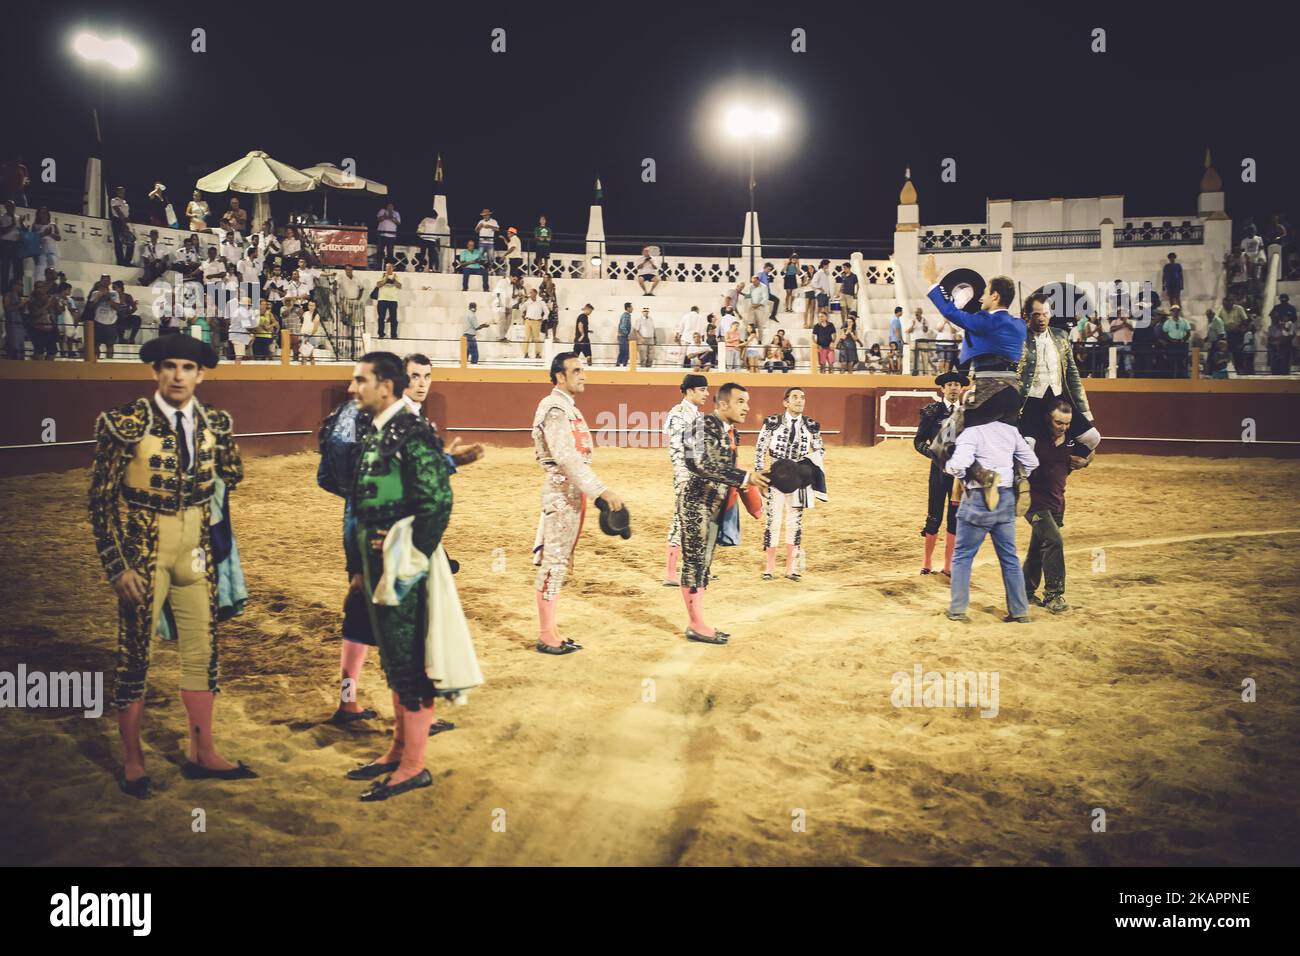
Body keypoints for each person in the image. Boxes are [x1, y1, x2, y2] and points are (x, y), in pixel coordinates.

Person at [88, 334, 253, 798]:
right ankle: (134, 760)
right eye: (168, 366)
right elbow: (100, 503)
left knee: (203, 652)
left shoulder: (215, 422)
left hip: (196, 549)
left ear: (201, 375)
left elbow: (234, 476)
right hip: (145, 552)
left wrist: (222, 449)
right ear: (155, 372)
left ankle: (203, 752)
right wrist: (117, 566)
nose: (177, 375)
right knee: (135, 654)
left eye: (186, 367)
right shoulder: (125, 422)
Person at [341, 352, 454, 801]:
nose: (353, 389)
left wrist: (411, 558)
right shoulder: (381, 429)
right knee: (392, 657)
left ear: (384, 386)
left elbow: (436, 502)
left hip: (401, 567)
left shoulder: (410, 431)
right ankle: (397, 748)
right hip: (377, 564)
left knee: (409, 662)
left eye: (360, 380)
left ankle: (414, 765)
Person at [531, 353, 624, 654]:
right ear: (560, 375)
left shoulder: (565, 407)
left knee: (559, 560)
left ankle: (551, 630)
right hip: (561, 493)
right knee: (555, 561)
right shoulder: (555, 408)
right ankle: (546, 634)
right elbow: (566, 457)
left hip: (569, 492)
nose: (583, 376)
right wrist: (600, 491)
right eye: (577, 371)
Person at [920, 254, 1026, 486]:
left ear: (995, 296)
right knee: (1004, 442)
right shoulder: (1019, 325)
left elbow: (951, 313)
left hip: (988, 391)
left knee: (942, 441)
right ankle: (1019, 478)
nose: (981, 298)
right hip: (1013, 395)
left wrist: (932, 282)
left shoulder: (985, 321)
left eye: (986, 292)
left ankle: (980, 476)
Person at [677, 383, 770, 642]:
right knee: (695, 564)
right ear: (723, 404)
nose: (747, 407)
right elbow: (699, 463)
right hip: (696, 504)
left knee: (704, 565)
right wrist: (746, 477)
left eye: (747, 402)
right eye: (741, 401)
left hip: (715, 504)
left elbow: (731, 469)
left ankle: (698, 620)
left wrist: (753, 485)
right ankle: (696, 624)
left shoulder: (731, 432)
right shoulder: (701, 425)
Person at [944, 409, 1039, 624]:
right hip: (1005, 498)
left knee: (962, 556)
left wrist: (953, 470)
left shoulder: (972, 432)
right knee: (1010, 558)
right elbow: (1032, 462)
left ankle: (957, 609)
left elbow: (958, 465)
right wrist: (1015, 477)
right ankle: (1020, 611)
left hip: (978, 498)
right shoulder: (1010, 431)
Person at [1022, 399, 1093, 614]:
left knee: (1038, 548)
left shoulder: (1072, 440)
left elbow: (1089, 452)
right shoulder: (1035, 438)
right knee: (1054, 542)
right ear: (1048, 419)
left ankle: (1025, 591)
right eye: (1058, 422)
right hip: (1034, 503)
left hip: (1057, 503)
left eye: (1067, 423)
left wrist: (1087, 461)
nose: (1063, 427)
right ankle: (1054, 595)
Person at [1017, 292, 1100, 475]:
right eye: (1036, 314)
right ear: (1026, 316)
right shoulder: (1019, 336)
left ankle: (1066, 466)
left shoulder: (1060, 336)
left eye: (1045, 313)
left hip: (1057, 399)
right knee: (1027, 449)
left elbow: (1072, 376)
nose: (1041, 318)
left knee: (1093, 437)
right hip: (1030, 402)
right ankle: (1023, 487)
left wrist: (1084, 410)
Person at [755, 387, 826, 581]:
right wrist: (760, 477)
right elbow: (760, 449)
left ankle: (791, 568)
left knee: (795, 521)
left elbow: (820, 450)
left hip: (799, 477)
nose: (800, 400)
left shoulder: (812, 426)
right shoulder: (772, 423)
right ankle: (769, 568)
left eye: (802, 397)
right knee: (773, 520)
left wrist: (808, 466)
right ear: (785, 402)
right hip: (775, 475)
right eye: (795, 397)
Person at [914, 371, 967, 575]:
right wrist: (935, 454)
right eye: (950, 384)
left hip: (958, 475)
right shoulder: (931, 412)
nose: (954, 387)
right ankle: (927, 562)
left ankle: (948, 565)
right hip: (937, 471)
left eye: (957, 384)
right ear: (942, 389)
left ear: (961, 389)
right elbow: (918, 441)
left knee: (955, 518)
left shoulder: (967, 414)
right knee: (934, 516)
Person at [662, 374, 710, 586]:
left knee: (702, 521)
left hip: (701, 475)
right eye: (702, 390)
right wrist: (682, 478)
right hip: (687, 476)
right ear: (690, 391)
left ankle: (699, 568)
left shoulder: (697, 416)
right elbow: (676, 449)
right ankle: (670, 573)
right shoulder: (678, 415)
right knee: (681, 521)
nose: (706, 394)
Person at [416, 208, 447, 273]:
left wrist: (419, 234)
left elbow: (420, 228)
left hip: (424, 238)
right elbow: (439, 233)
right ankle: (430, 268)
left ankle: (420, 267)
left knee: (422, 254)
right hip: (432, 240)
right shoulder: (437, 222)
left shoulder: (425, 219)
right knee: (431, 255)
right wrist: (437, 239)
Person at [375, 263, 401, 339]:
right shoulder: (382, 275)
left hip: (393, 300)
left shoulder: (396, 276)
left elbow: (399, 286)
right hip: (382, 299)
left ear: (393, 268)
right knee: (381, 318)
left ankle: (393, 334)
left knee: (393, 318)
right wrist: (386, 278)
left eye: (390, 267)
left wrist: (393, 280)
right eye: (387, 267)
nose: (388, 269)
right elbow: (378, 284)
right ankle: (381, 334)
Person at [33, 208, 61, 278]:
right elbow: (33, 239)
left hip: (52, 251)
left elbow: (59, 238)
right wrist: (44, 234)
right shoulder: (35, 225)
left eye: (45, 213)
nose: (43, 215)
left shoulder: (53, 225)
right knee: (41, 272)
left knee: (52, 270)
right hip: (40, 252)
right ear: (38, 214)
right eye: (41, 213)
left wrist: (51, 234)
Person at [110, 186, 135, 266]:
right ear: (117, 192)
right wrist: (124, 222)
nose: (123, 193)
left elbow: (127, 215)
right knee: (118, 242)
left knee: (131, 241)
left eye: (124, 192)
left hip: (125, 222)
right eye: (121, 191)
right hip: (117, 221)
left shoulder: (125, 203)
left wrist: (129, 223)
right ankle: (120, 261)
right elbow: (117, 211)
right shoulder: (114, 200)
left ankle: (127, 261)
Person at [616, 301, 633, 367]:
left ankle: (619, 364)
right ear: (628, 308)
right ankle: (623, 365)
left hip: (622, 336)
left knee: (623, 351)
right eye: (631, 307)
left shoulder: (626, 315)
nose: (632, 308)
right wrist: (627, 334)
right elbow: (622, 327)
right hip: (623, 336)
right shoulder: (626, 316)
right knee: (625, 351)